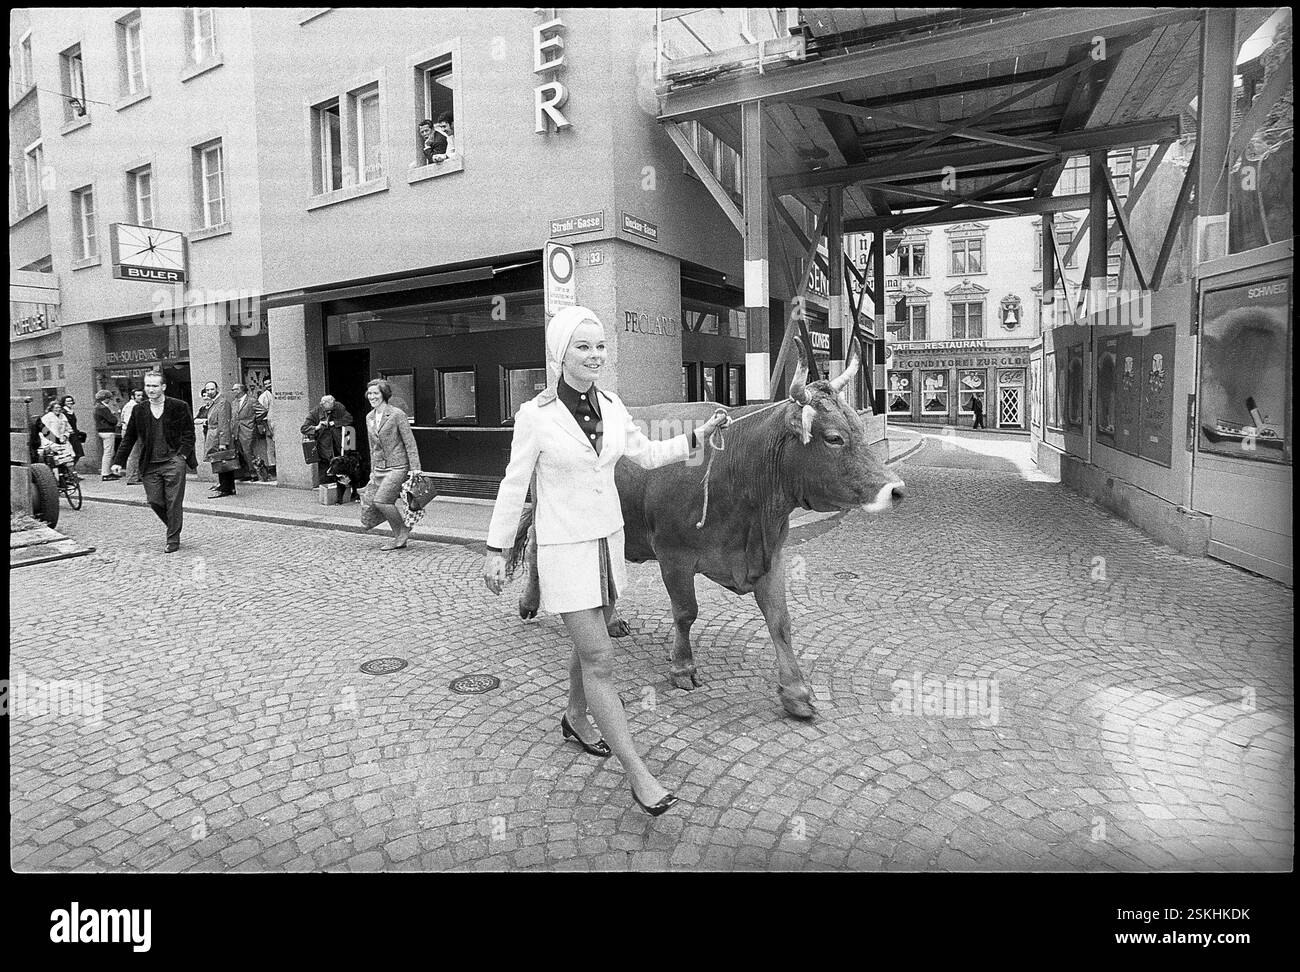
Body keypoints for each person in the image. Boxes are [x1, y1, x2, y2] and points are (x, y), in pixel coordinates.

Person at [482, 306, 729, 817]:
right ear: (561, 353)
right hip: (566, 551)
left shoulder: (614, 406)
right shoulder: (537, 415)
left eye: (599, 347)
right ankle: (639, 775)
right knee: (599, 658)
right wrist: (496, 548)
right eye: (583, 347)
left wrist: (696, 439)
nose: (594, 355)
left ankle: (575, 715)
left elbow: (646, 455)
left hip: (608, 547)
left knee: (589, 640)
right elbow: (513, 483)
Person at [111, 370, 197, 553]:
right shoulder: (139, 410)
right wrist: (118, 461)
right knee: (155, 500)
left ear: (163, 387)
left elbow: (189, 434)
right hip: (150, 464)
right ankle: (174, 523)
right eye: (147, 385)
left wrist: (181, 456)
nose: (150, 389)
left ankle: (173, 539)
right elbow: (129, 438)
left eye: (154, 386)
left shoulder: (178, 406)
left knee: (173, 501)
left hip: (173, 461)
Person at [363, 378, 422, 550]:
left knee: (382, 501)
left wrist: (415, 468)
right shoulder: (369, 417)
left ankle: (402, 532)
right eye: (370, 393)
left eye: (376, 393)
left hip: (398, 466)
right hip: (380, 467)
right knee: (374, 501)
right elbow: (372, 446)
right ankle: (400, 535)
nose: (372, 397)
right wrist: (372, 469)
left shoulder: (397, 414)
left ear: (384, 394)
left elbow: (409, 442)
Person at [300, 395, 352, 484]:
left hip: (339, 446)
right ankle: (327, 493)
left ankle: (340, 492)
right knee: (325, 473)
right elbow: (304, 428)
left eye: (332, 406)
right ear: (322, 404)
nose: (331, 409)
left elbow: (349, 419)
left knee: (342, 471)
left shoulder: (338, 406)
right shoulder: (315, 412)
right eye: (328, 408)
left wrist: (334, 423)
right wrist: (317, 427)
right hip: (323, 448)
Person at [203, 381, 236, 498]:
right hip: (215, 436)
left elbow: (224, 423)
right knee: (221, 462)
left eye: (212, 389)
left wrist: (223, 442)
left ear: (217, 389)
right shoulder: (215, 402)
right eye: (207, 390)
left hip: (219, 437)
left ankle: (225, 488)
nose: (209, 392)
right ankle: (228, 487)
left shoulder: (221, 402)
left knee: (223, 462)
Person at [39, 400, 80, 481]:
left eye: (59, 408)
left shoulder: (63, 416)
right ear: (51, 408)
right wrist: (51, 442)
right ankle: (59, 479)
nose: (58, 409)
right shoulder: (47, 417)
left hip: (64, 441)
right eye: (56, 408)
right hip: (52, 442)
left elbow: (69, 429)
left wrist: (65, 435)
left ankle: (72, 477)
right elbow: (43, 431)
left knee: (69, 459)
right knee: (57, 461)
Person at [230, 381, 258, 482]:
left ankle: (254, 473)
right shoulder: (234, 402)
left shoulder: (251, 400)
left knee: (248, 451)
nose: (233, 391)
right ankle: (246, 473)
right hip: (236, 430)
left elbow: (262, 411)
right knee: (240, 452)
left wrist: (252, 421)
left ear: (240, 390)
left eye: (235, 389)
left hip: (247, 429)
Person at [119, 388, 146, 484]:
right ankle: (131, 478)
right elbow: (128, 421)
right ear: (132, 396)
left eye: (141, 395)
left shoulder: (133, 405)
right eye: (138, 395)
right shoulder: (132, 406)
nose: (140, 397)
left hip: (132, 432)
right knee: (133, 455)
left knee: (136, 455)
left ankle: (135, 476)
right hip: (132, 433)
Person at [93, 390, 120, 481]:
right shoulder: (103, 408)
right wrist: (114, 414)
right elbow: (113, 420)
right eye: (109, 398)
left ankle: (108, 472)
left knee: (109, 453)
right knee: (108, 453)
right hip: (107, 431)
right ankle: (105, 473)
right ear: (105, 398)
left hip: (102, 431)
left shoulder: (97, 407)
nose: (110, 400)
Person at [254, 378, 276, 478]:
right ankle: (273, 468)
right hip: (270, 425)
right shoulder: (264, 397)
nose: (268, 385)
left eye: (270, 382)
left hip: (280, 424)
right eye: (266, 384)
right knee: (271, 448)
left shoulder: (277, 393)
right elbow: (262, 415)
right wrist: (267, 429)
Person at [58, 395, 87, 467]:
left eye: (71, 401)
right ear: (64, 402)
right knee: (72, 454)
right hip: (68, 436)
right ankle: (71, 471)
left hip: (74, 435)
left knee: (78, 454)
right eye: (67, 401)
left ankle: (72, 471)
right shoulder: (63, 412)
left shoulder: (71, 411)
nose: (70, 402)